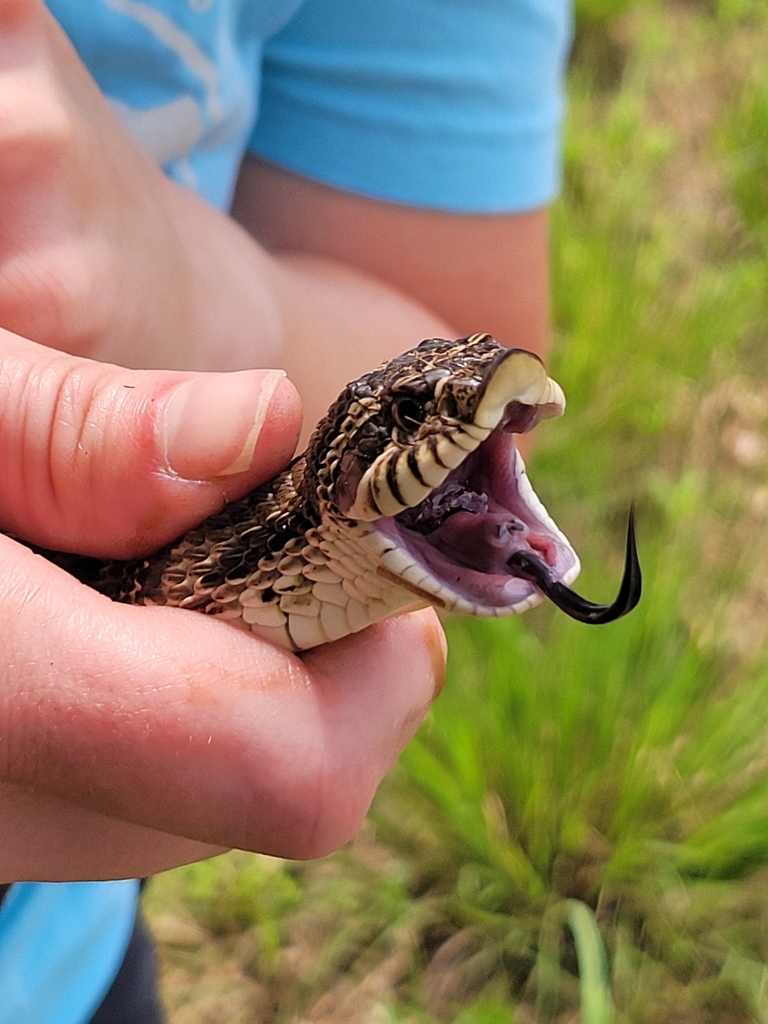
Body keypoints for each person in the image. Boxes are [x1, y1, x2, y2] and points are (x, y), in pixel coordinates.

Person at [0, 0, 571, 1019]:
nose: (482, 418)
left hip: (57, 952)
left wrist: (180, 282)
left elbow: (437, 304)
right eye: (409, 418)